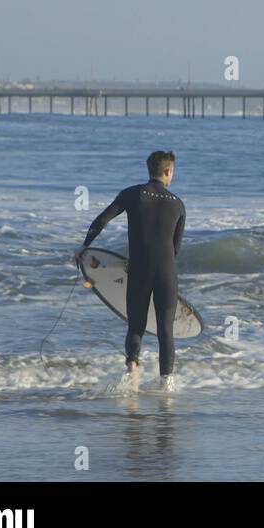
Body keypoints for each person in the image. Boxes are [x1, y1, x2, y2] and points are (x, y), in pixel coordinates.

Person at [76, 151, 186, 386]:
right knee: (166, 332)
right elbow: (175, 249)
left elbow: (101, 221)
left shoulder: (132, 194)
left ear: (150, 169)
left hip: (139, 271)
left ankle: (132, 378)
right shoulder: (178, 204)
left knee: (136, 326)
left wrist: (85, 247)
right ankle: (166, 385)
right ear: (168, 171)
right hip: (167, 274)